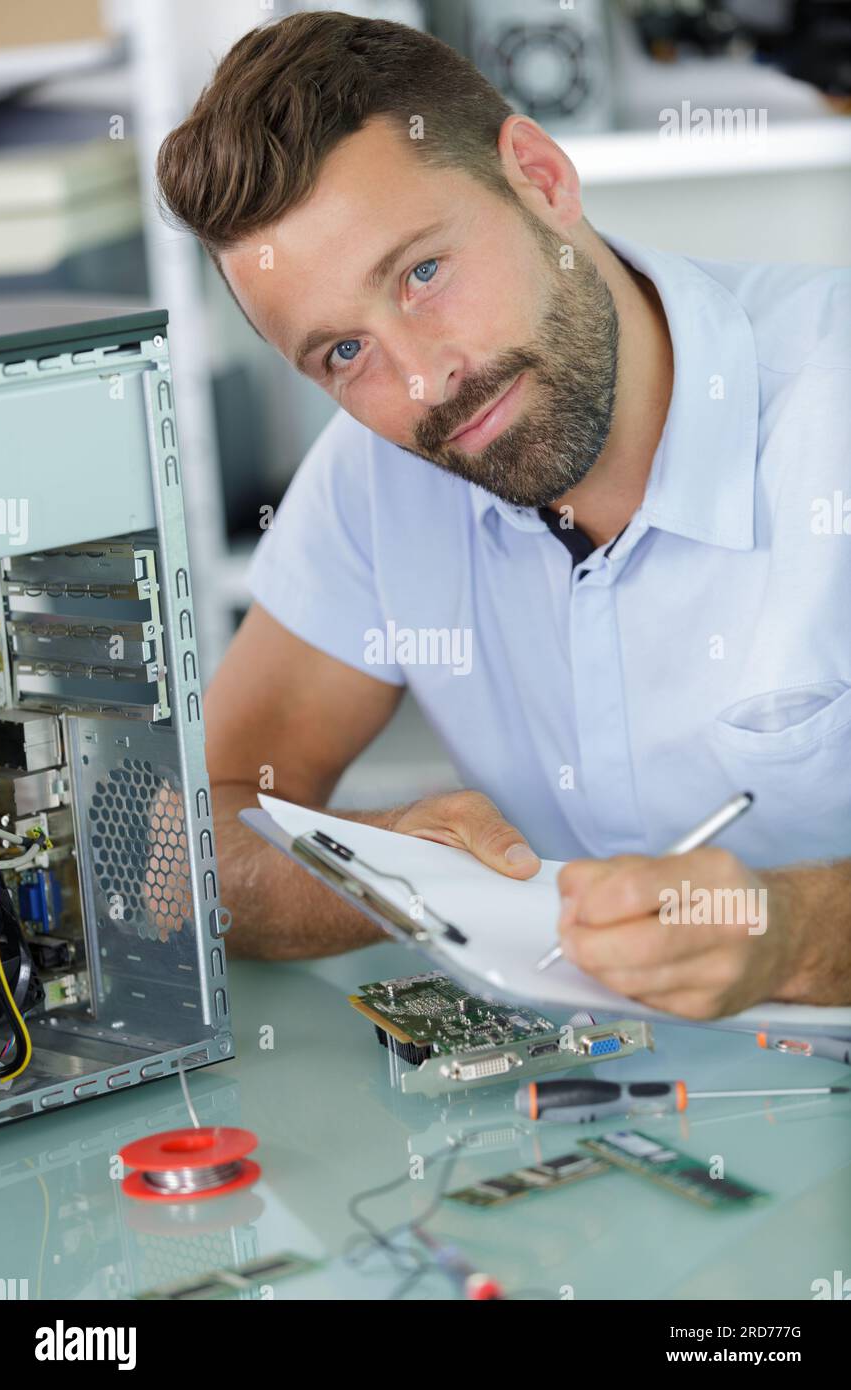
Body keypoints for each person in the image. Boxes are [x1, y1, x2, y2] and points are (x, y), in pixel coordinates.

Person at [156, 11, 851, 1018]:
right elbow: (182, 852)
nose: (423, 379)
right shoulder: (371, 481)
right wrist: (392, 872)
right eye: (341, 353)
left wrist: (792, 936)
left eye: (423, 273)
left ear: (539, 176)